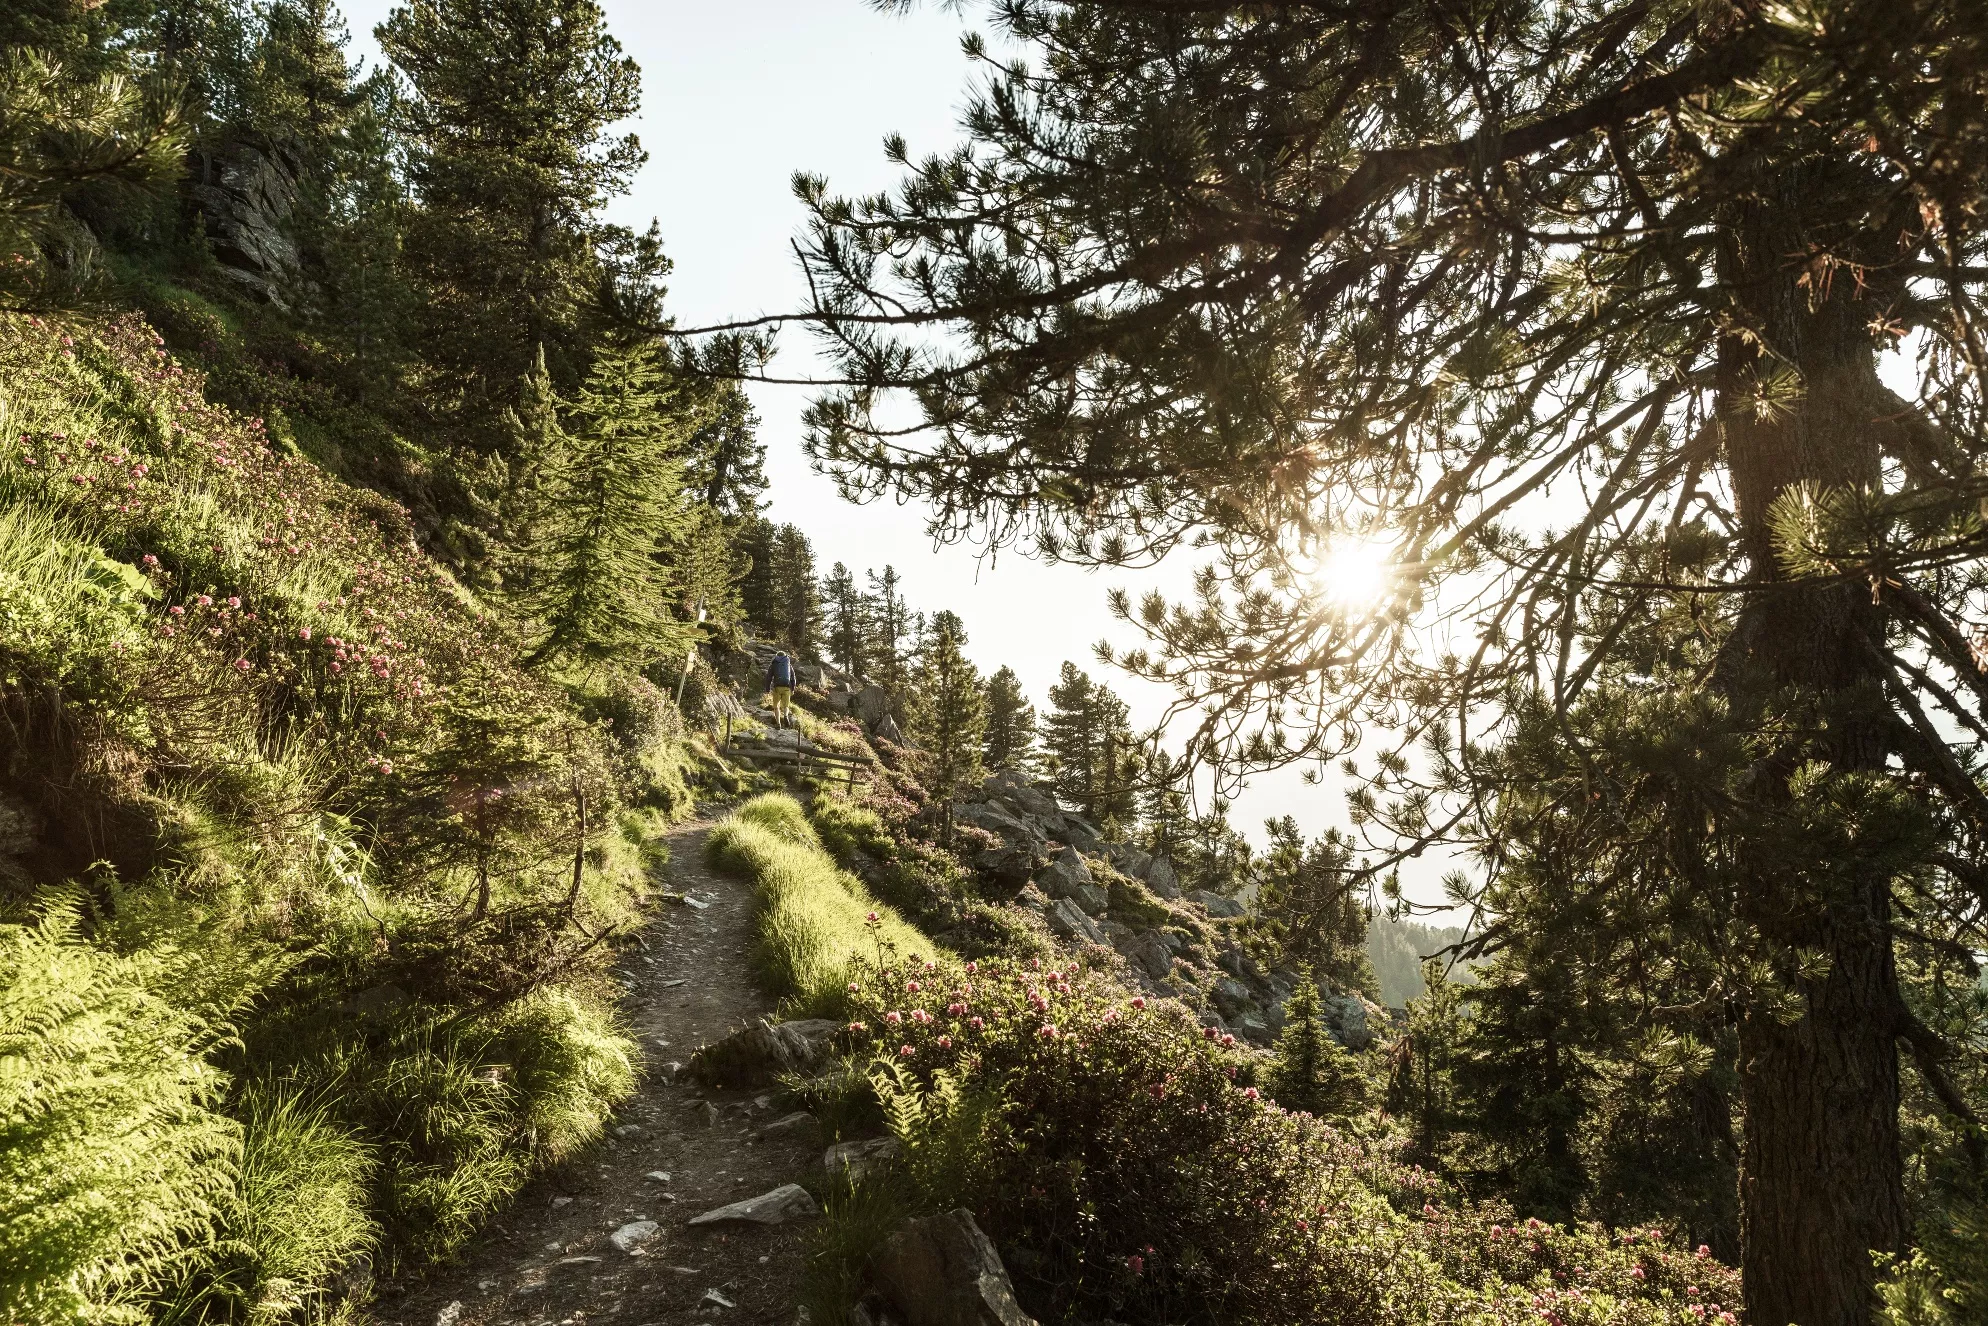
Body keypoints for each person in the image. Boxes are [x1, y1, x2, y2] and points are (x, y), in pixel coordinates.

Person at [764, 650, 796, 728]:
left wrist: (767, 689)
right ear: (785, 656)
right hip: (787, 687)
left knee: (776, 706)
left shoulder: (774, 664)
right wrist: (793, 688)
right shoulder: (788, 664)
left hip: (777, 687)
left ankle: (778, 724)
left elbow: (769, 677)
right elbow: (793, 678)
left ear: (776, 656)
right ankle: (785, 716)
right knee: (786, 706)